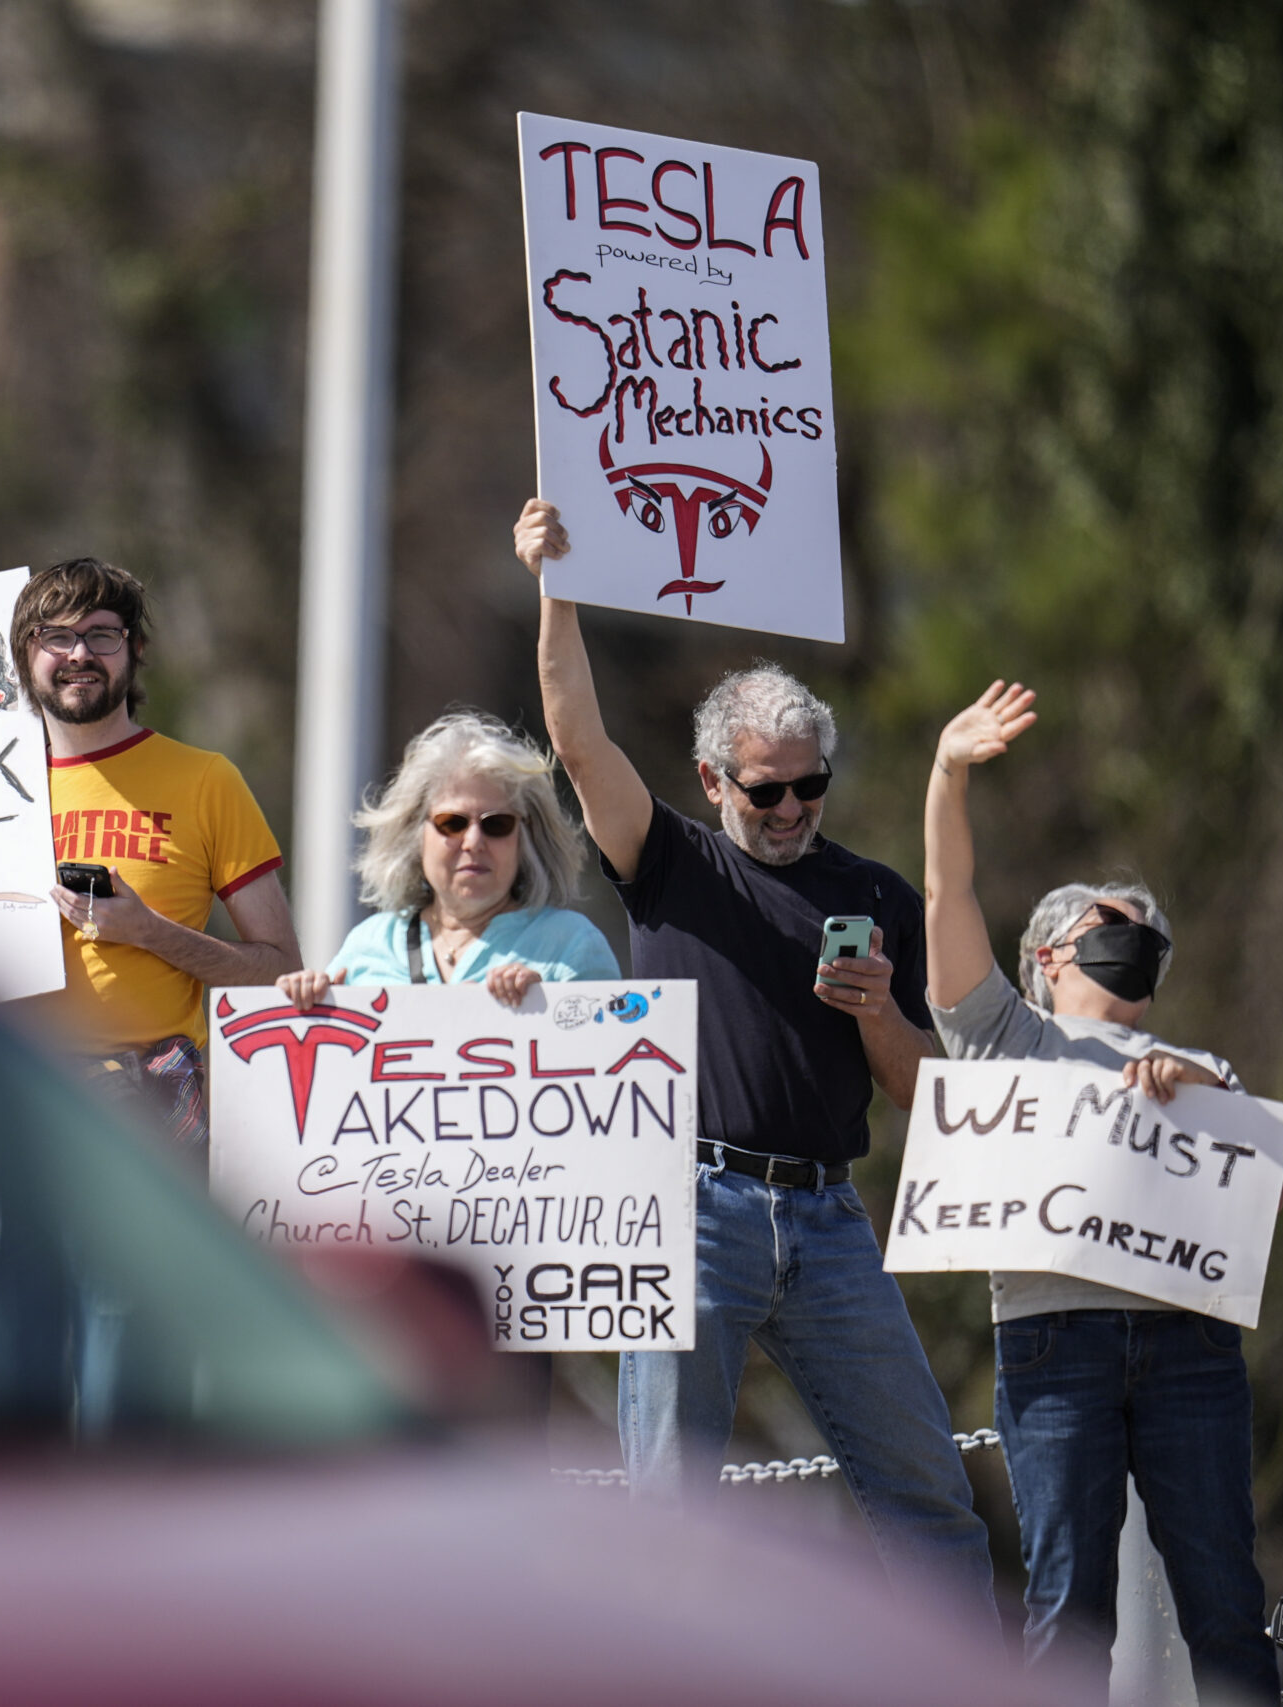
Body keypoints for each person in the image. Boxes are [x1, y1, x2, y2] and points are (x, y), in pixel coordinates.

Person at [515, 497, 997, 1623]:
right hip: (690, 1204)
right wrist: (554, 585)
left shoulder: (872, 893)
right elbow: (575, 736)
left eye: (808, 785)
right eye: (764, 788)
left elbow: (921, 1093)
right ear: (710, 779)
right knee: (665, 1513)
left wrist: (879, 1008)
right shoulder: (668, 861)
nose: (788, 809)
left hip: (828, 1220)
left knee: (927, 1494)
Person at [924, 680, 1276, 1701]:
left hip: (1188, 1349)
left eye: (1142, 939)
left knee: (1220, 1594)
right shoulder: (1003, 1039)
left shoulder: (1199, 1061)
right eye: (1104, 930)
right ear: (1046, 958)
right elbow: (947, 902)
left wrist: (1197, 1083)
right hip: (1054, 1341)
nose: (1128, 947)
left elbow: (1245, 1177)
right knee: (1069, 1602)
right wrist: (948, 773)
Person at [11, 557, 302, 1153]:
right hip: (13, 1103)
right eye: (56, 635)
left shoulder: (206, 780)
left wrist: (149, 932)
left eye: (102, 635)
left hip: (153, 1118)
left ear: (135, 649)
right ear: (24, 654)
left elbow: (279, 970)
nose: (79, 654)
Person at [278, 710, 617, 1009]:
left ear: (526, 838)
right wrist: (304, 1007)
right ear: (415, 833)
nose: (473, 841)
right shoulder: (368, 944)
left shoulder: (573, 945)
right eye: (451, 823)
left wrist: (550, 1012)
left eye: (497, 824)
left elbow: (609, 1063)